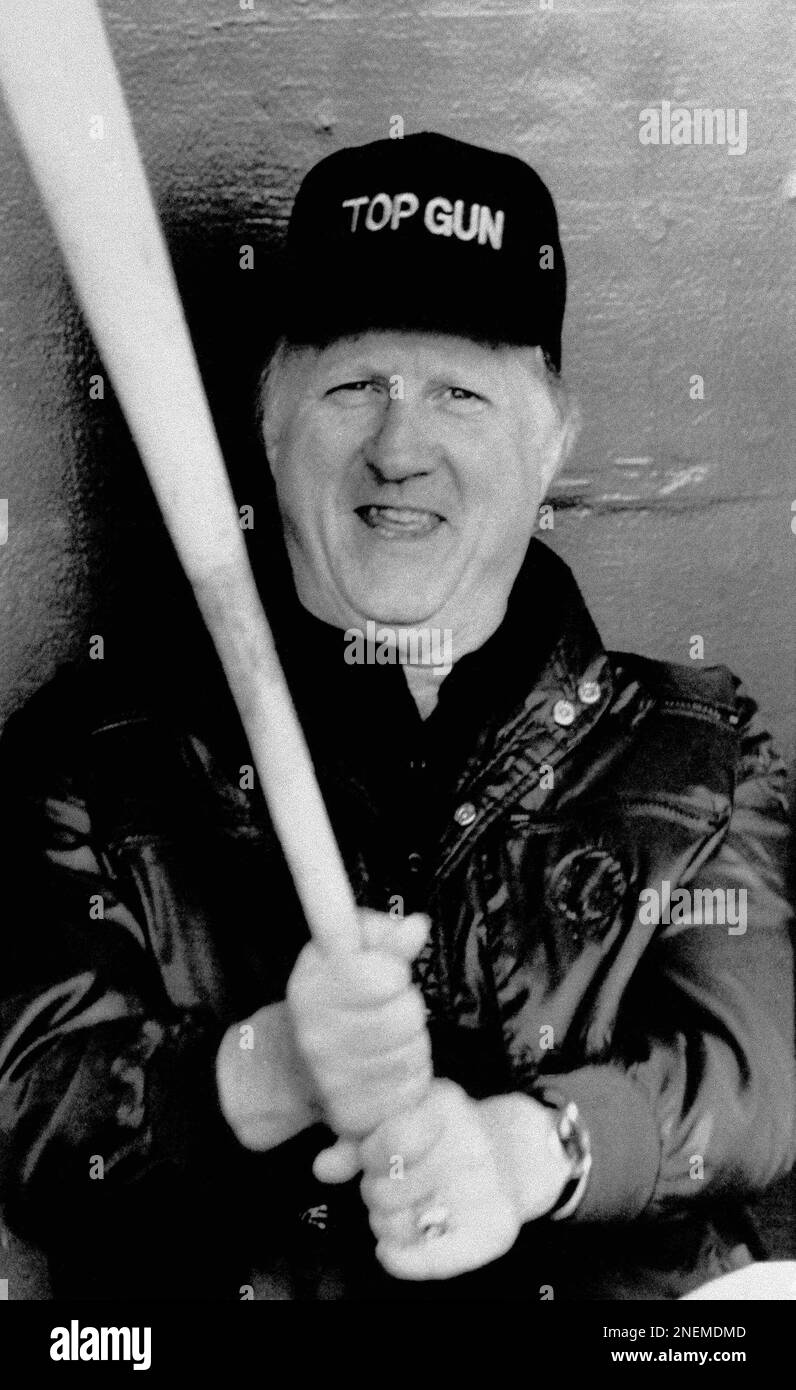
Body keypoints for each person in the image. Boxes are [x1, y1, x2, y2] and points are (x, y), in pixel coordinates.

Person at [0, 131, 793, 1301]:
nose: (398, 446)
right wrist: (262, 1073)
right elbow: (25, 1113)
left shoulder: (698, 752)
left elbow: (763, 1075)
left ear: (551, 440)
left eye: (459, 392)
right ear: (271, 425)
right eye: (352, 385)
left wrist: (540, 1150)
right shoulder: (96, 761)